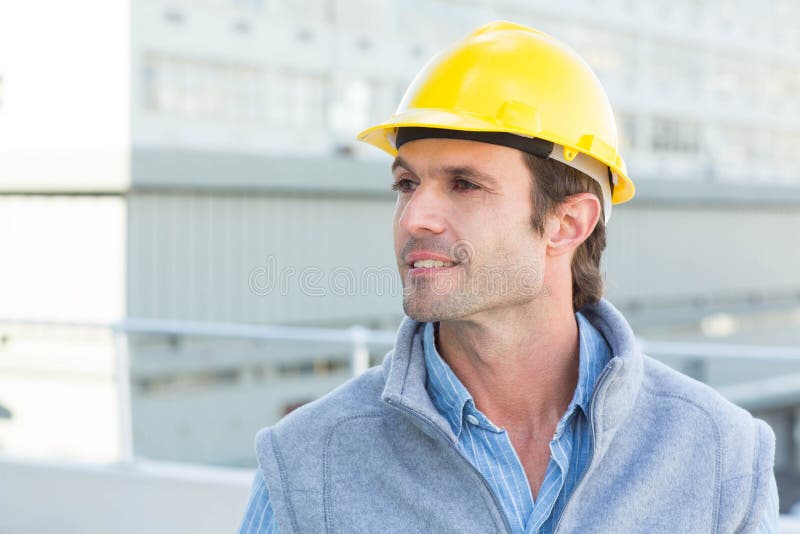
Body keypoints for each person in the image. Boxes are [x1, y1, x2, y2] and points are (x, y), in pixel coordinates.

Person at [240, 21, 779, 533]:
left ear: (568, 223)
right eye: (407, 183)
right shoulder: (306, 468)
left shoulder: (721, 457)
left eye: (465, 184)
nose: (413, 217)